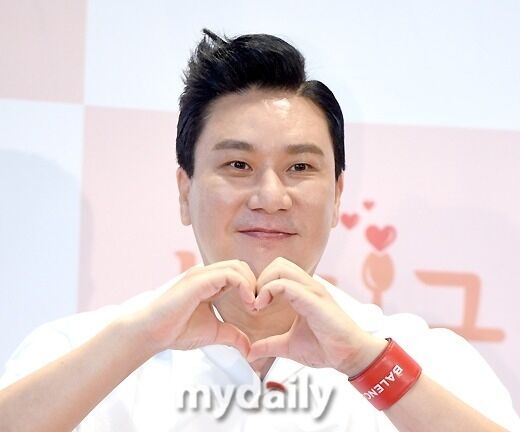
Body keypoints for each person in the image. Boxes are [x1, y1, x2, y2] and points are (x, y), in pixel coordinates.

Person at [0, 29, 519, 432]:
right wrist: (137, 342)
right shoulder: (79, 348)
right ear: (185, 190)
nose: (271, 197)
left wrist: (365, 363)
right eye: (238, 165)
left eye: (300, 168)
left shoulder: (424, 358)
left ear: (337, 196)